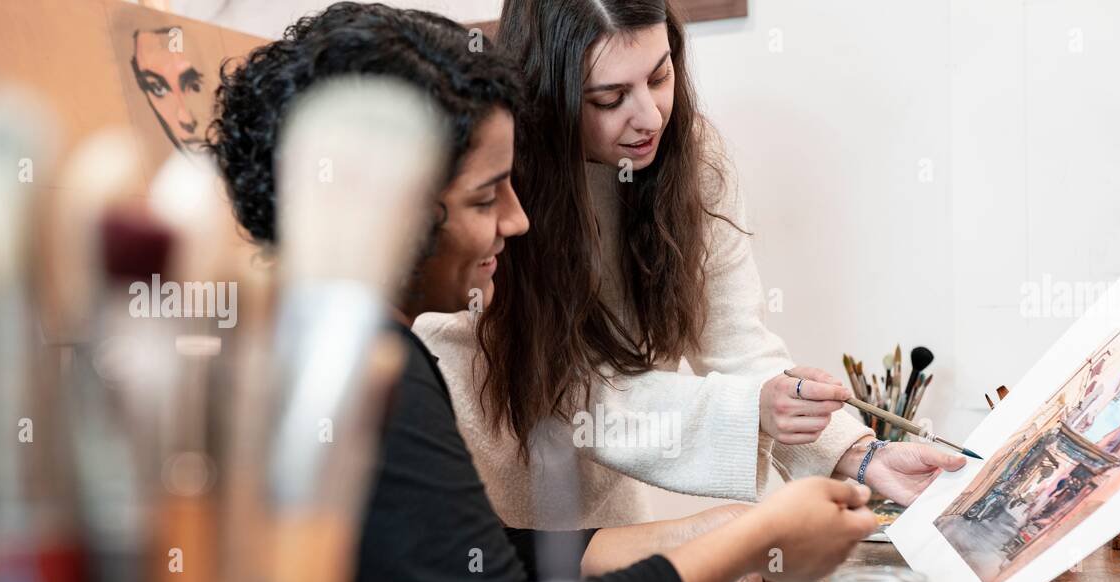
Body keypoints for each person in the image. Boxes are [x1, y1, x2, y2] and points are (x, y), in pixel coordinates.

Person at [208, 2, 876, 582]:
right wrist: (751, 539)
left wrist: (696, 536)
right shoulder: (367, 373)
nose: (518, 221)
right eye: (487, 197)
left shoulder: (335, 337)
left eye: (659, 78)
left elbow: (472, 556)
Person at [413, 0, 965, 532]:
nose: (649, 117)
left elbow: (738, 345)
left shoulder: (690, 157)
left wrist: (861, 454)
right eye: (609, 99)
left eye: (659, 76)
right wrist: (752, 410)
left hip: (610, 523)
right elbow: (558, 391)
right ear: (545, 94)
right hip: (485, 518)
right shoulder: (492, 184)